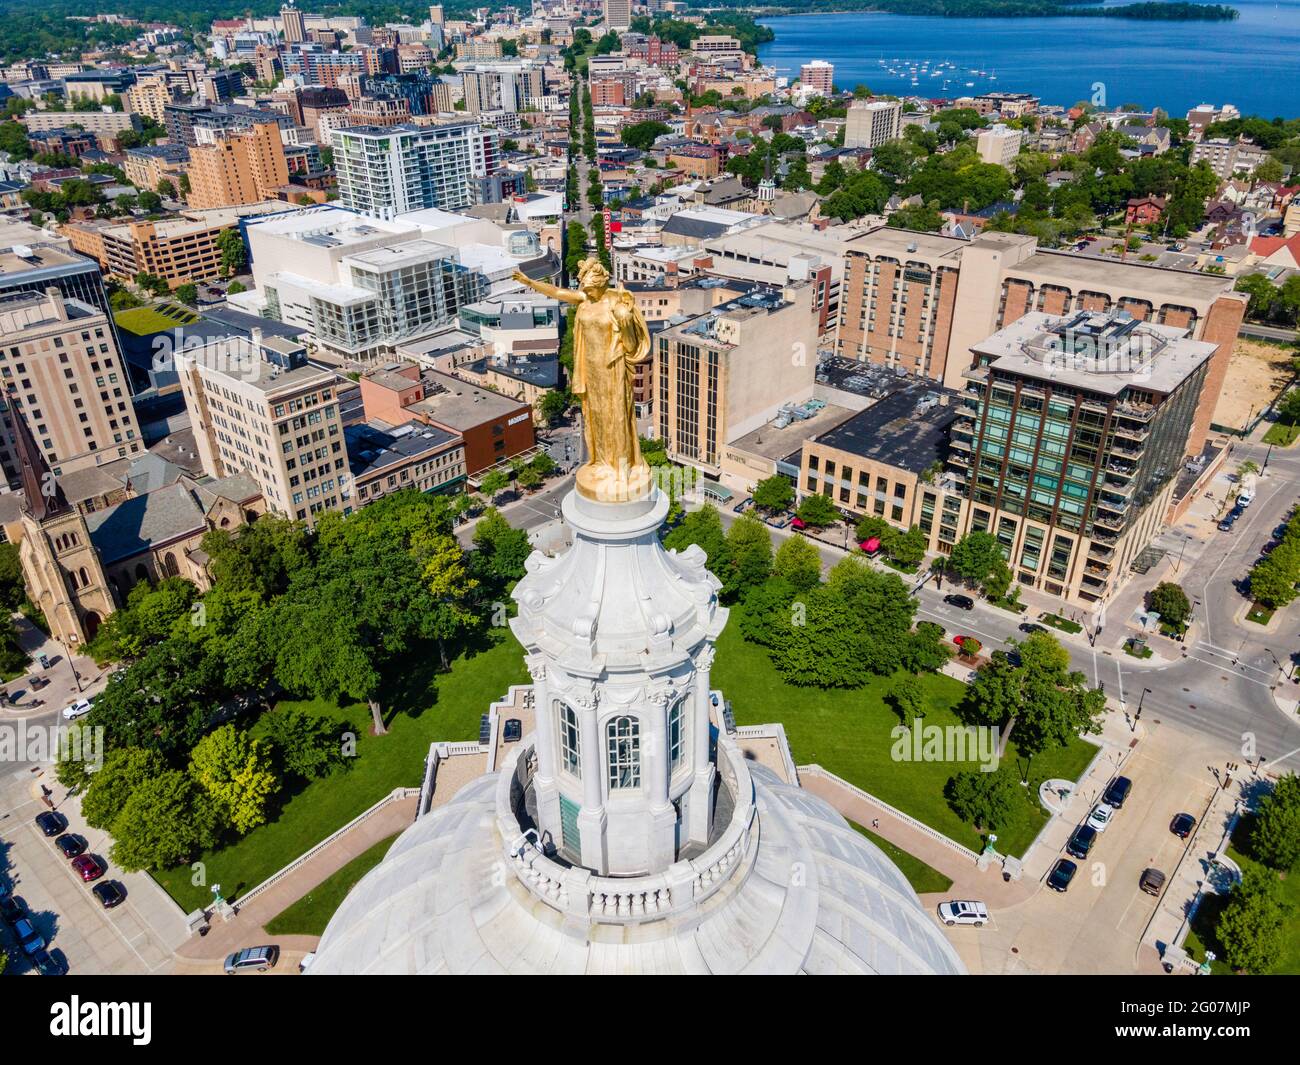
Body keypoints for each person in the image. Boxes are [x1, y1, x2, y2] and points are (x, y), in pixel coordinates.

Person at [511, 259, 651, 502]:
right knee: (595, 417)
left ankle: (621, 468)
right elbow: (557, 292)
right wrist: (529, 282)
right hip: (590, 370)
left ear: (600, 282)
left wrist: (626, 321)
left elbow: (631, 346)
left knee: (615, 417)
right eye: (584, 287)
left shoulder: (618, 303)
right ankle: (600, 461)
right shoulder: (585, 300)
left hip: (612, 369)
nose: (585, 291)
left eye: (589, 287)